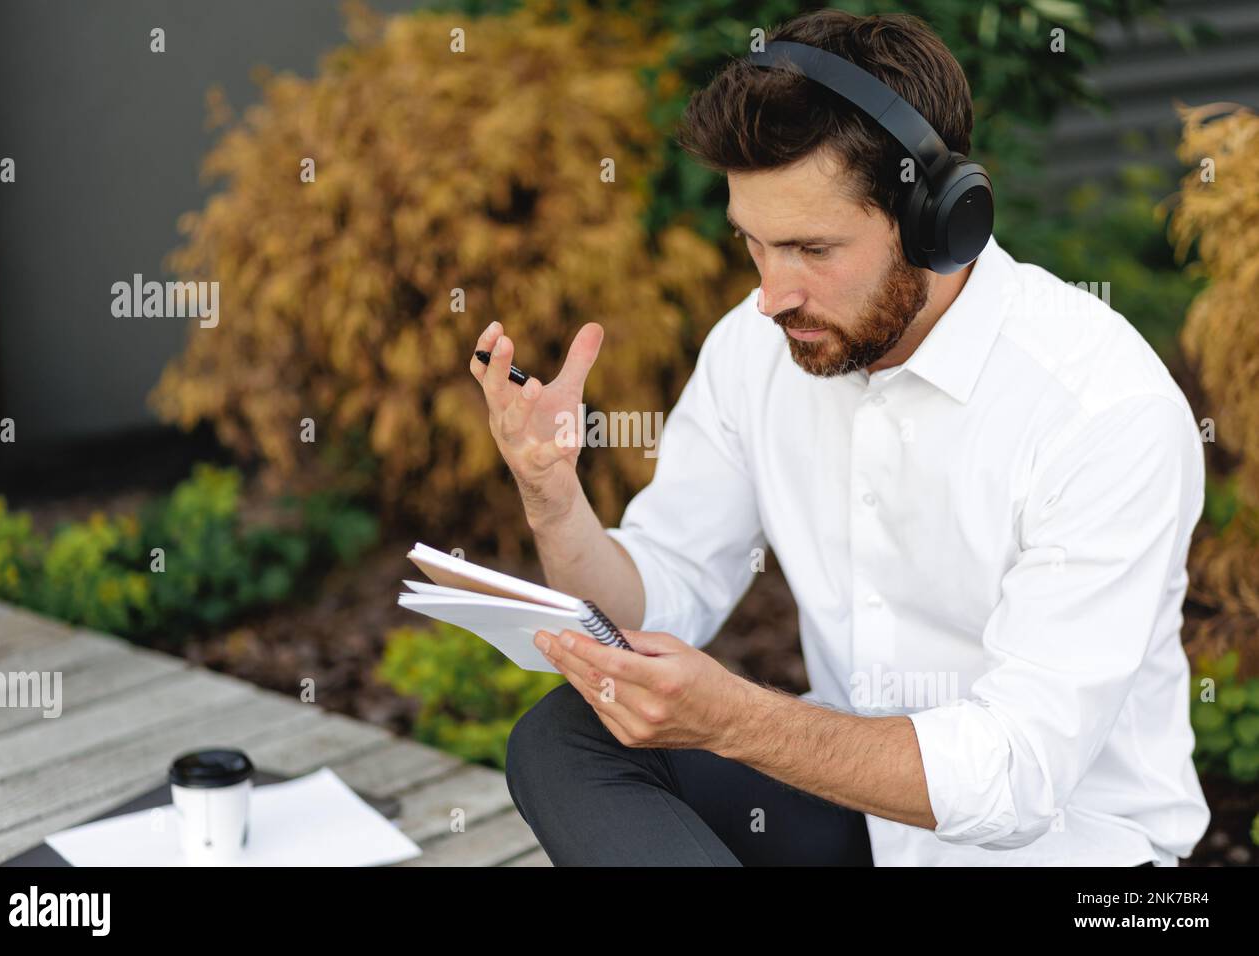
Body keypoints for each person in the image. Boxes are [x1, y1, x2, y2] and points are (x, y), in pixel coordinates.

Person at [470, 9, 1209, 866]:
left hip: (1076, 854)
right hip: (861, 817)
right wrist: (553, 499)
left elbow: (1017, 779)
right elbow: (654, 600)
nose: (770, 295)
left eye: (812, 249)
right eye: (754, 245)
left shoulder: (1101, 408)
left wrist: (735, 719)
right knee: (568, 735)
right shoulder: (758, 347)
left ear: (942, 223)